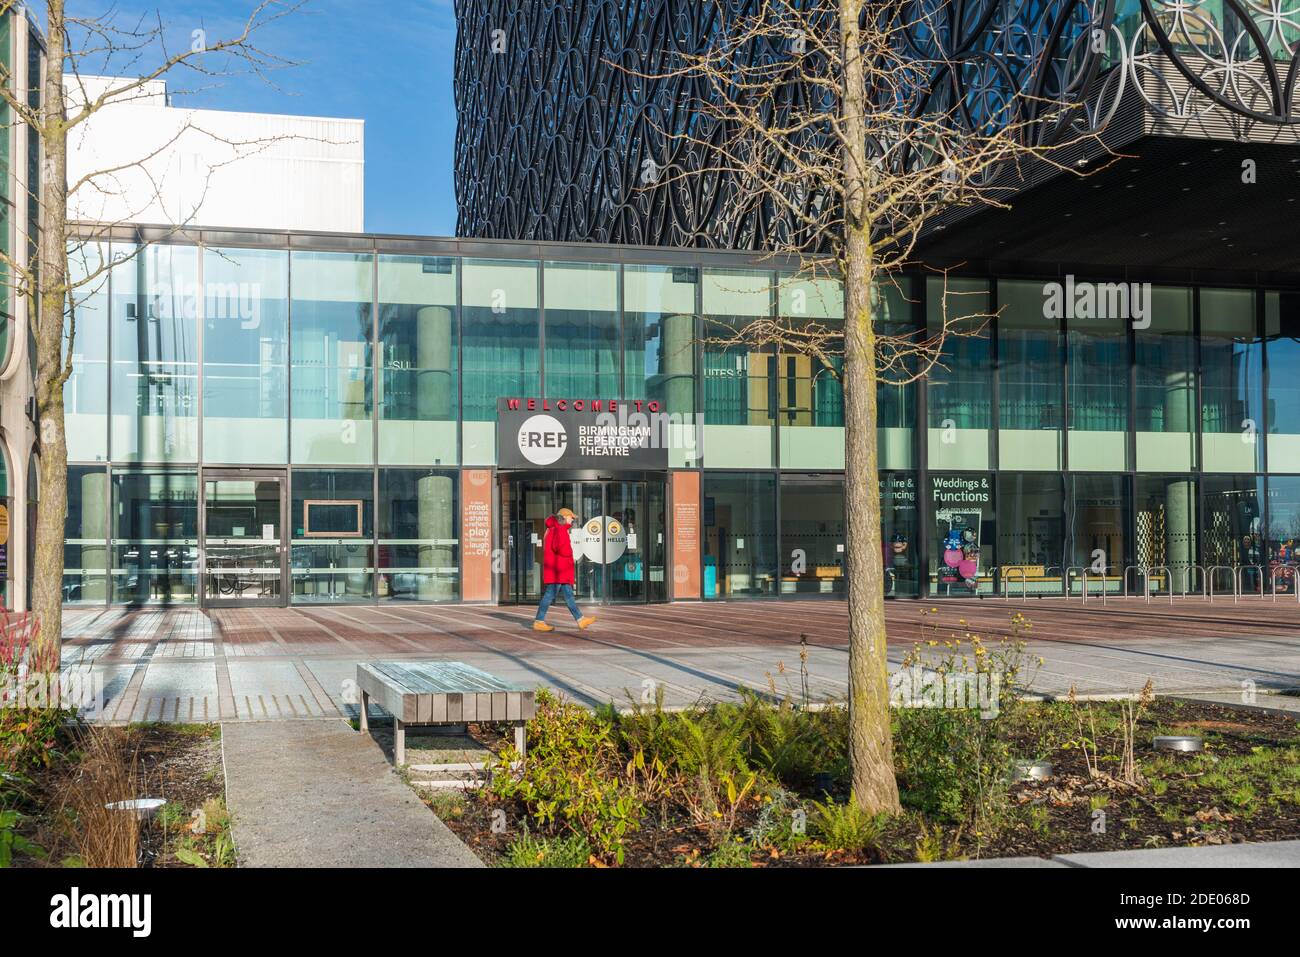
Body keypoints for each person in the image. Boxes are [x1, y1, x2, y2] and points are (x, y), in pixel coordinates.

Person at [534, 507, 597, 632]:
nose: (573, 519)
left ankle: (580, 619)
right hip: (558, 570)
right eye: (571, 517)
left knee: (568, 596)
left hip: (559, 569)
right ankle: (539, 621)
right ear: (564, 517)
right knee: (550, 595)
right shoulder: (559, 529)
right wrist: (570, 553)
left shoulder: (554, 528)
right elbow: (561, 548)